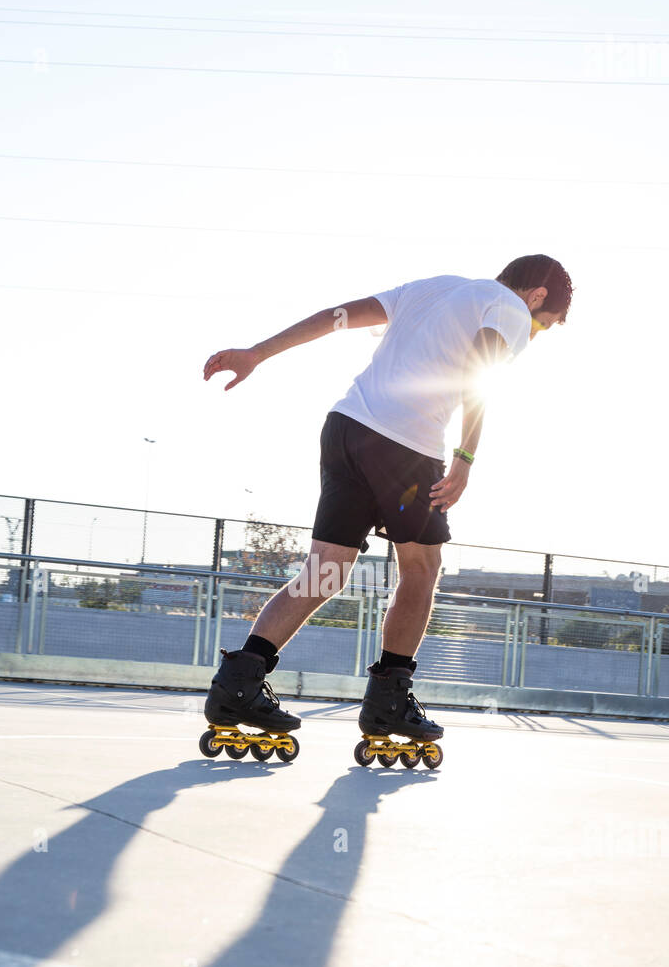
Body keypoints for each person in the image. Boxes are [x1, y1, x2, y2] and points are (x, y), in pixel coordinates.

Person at [202, 254, 573, 745]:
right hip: (404, 445)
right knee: (421, 569)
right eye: (543, 326)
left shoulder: (434, 286)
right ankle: (389, 701)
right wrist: (464, 457)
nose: (534, 334)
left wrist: (258, 352)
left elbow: (338, 317)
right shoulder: (509, 309)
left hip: (345, 428)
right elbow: (482, 372)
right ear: (537, 296)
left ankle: (237, 685)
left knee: (324, 573)